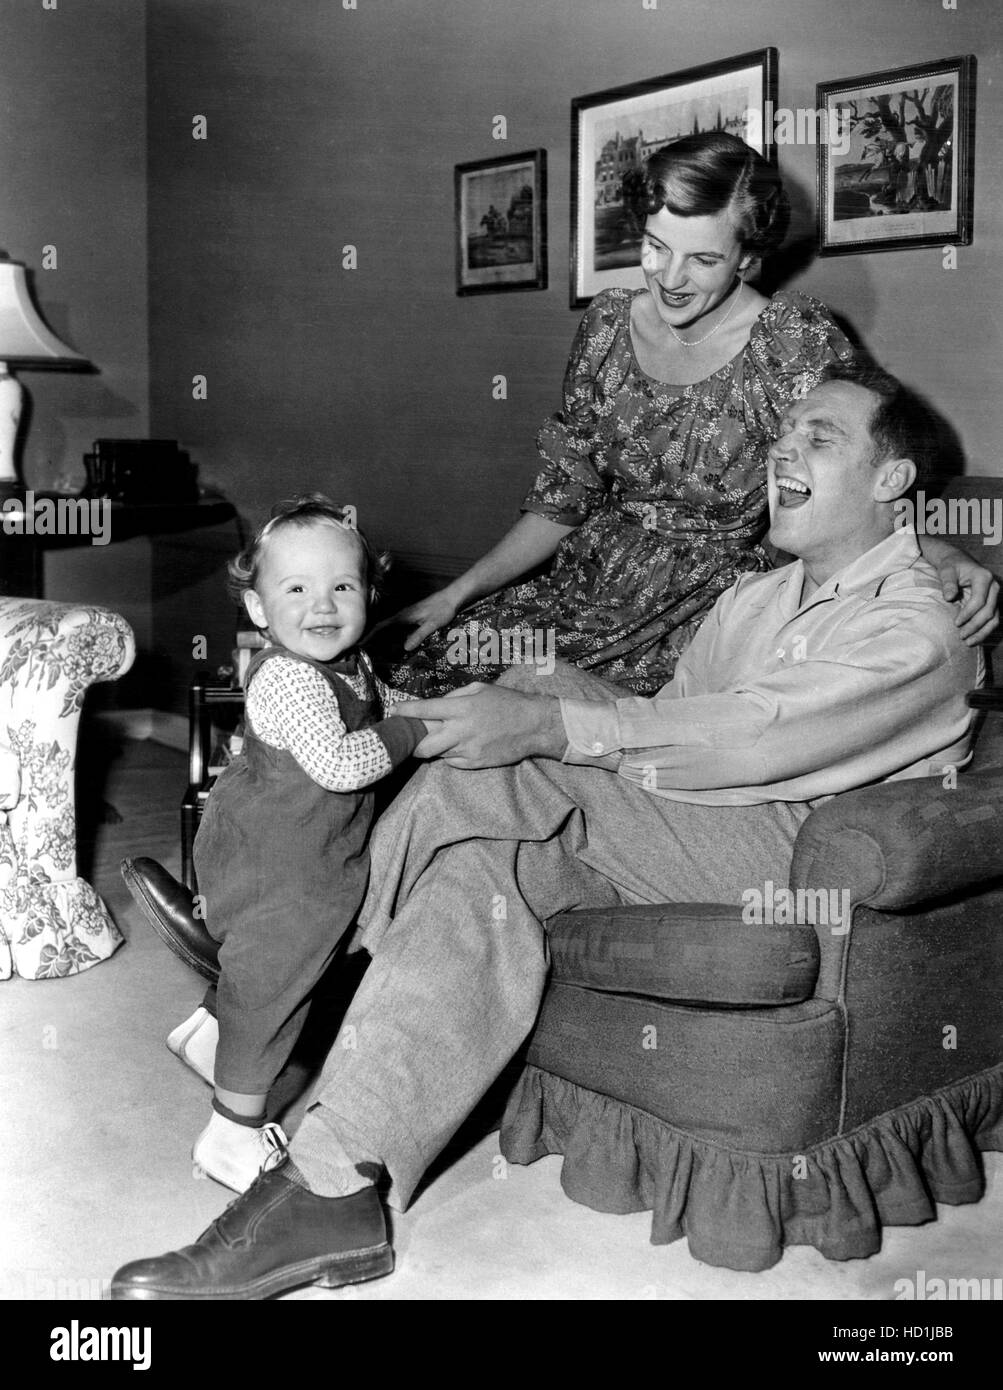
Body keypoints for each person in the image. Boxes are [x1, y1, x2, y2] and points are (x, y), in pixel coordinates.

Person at [111, 361, 984, 1299]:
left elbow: (752, 735)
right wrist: (536, 702)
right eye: (784, 432)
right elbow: (666, 727)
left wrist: (549, 729)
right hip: (689, 819)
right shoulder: (758, 597)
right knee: (484, 857)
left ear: (894, 482)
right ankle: (336, 1183)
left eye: (820, 437)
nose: (783, 448)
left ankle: (277, 976)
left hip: (794, 850)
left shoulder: (918, 623)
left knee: (517, 756)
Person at [386, 131, 994, 699]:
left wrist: (937, 552)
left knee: (523, 711)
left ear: (747, 257)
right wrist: (459, 592)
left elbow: (862, 469)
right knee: (425, 671)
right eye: (655, 247)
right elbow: (568, 492)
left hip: (708, 613)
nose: (670, 279)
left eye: (702, 259)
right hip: (582, 584)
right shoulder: (606, 324)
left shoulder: (789, 339)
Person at [149, 494, 427, 1195]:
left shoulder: (350, 663)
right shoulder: (288, 677)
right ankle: (230, 1137)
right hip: (273, 861)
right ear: (258, 609)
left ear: (368, 594)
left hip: (313, 856)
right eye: (295, 589)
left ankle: (208, 1035)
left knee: (301, 965)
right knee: (275, 990)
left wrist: (417, 711)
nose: (322, 605)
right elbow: (342, 764)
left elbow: (379, 703)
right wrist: (414, 735)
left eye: (342, 586)